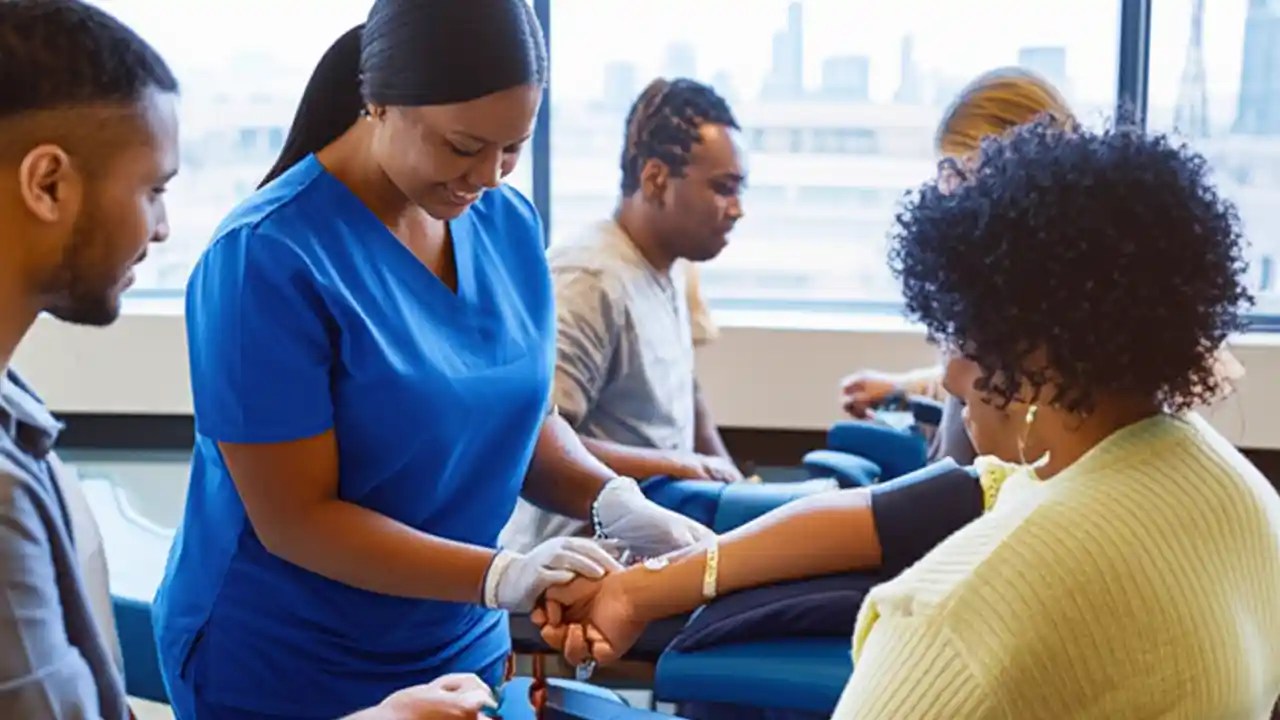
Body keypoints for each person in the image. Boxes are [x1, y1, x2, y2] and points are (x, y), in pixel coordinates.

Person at [537, 121, 1280, 718]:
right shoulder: (1227, 490)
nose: (951, 376)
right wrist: (640, 589)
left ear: (1039, 350)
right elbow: (877, 515)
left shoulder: (953, 614)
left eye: (958, 336)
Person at [152, 5, 712, 719]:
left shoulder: (506, 225)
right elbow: (295, 520)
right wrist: (503, 575)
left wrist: (614, 501)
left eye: (512, 148)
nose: (485, 175)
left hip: (457, 645)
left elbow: (520, 421)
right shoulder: (265, 256)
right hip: (288, 661)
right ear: (378, 101)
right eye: (462, 146)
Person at [0, 2, 501, 719]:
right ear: (47, 184)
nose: (165, 227)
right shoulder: (5, 498)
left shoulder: (21, 432)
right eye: (153, 190)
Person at [501, 78, 746, 552]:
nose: (737, 210)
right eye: (723, 189)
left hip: (662, 540)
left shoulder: (675, 267)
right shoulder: (589, 279)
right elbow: (535, 444)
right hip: (581, 567)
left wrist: (736, 487)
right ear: (656, 179)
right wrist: (677, 465)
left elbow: (688, 397)